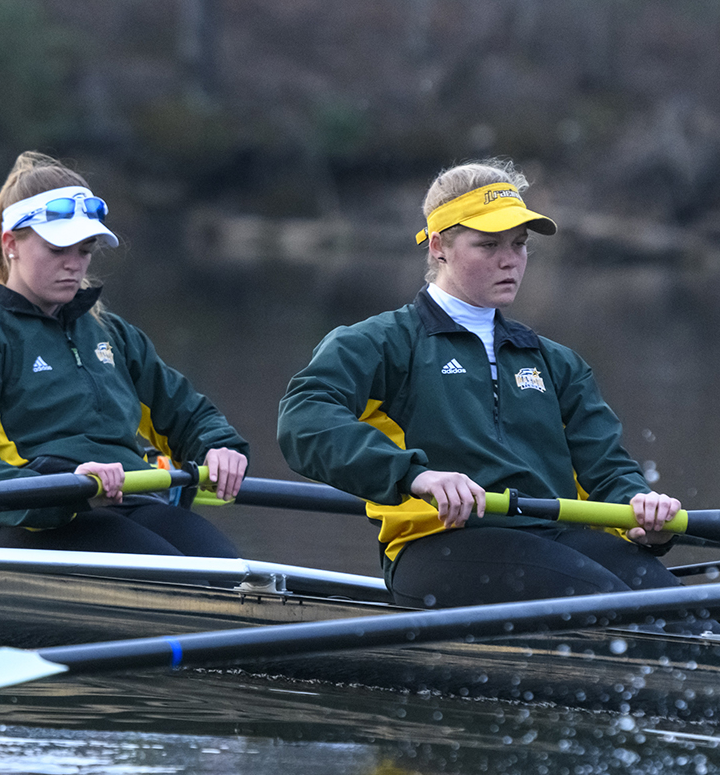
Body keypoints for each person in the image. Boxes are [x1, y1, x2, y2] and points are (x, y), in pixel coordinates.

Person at [277, 159, 685, 609]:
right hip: (440, 548)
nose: (510, 259)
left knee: (690, 610)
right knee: (623, 607)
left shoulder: (557, 363)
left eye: (520, 244)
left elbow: (607, 471)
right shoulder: (381, 343)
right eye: (488, 245)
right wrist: (418, 476)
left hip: (554, 541)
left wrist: (642, 508)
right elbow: (304, 422)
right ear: (439, 247)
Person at [0, 152, 250, 557]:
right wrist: (67, 485)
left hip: (131, 500)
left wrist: (218, 447)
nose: (75, 264)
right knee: (179, 574)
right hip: (31, 518)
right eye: (58, 249)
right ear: (11, 244)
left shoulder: (114, 335)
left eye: (85, 249)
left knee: (229, 569)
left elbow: (188, 414)